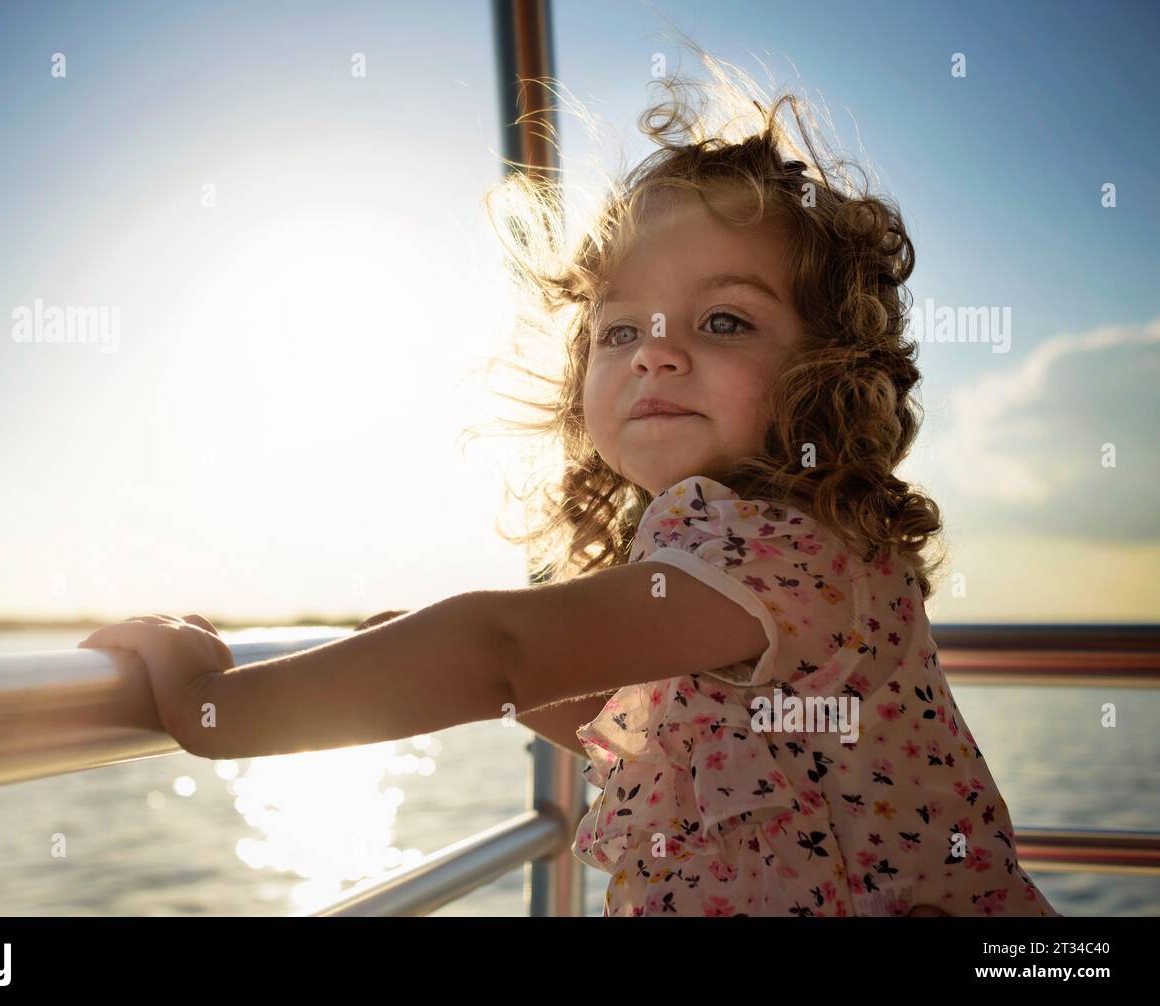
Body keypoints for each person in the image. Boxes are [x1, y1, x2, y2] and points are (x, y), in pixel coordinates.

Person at [78, 49, 1058, 918]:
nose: (655, 356)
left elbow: (497, 647)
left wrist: (214, 706)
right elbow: (682, 729)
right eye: (619, 329)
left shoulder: (763, 537)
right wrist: (440, 665)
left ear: (826, 367)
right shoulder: (797, 550)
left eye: (722, 322)